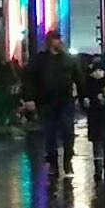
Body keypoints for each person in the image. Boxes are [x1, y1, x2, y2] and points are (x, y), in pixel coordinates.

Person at [27, 33, 78, 177]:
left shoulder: (68, 60)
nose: (57, 42)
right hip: (46, 102)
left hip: (65, 101)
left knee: (67, 132)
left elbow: (78, 77)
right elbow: (31, 80)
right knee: (50, 134)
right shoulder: (40, 60)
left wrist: (84, 95)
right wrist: (30, 98)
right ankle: (53, 164)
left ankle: (67, 162)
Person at [76, 50, 105, 173]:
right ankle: (98, 169)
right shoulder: (88, 84)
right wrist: (90, 102)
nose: (97, 73)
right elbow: (83, 100)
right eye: (95, 70)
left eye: (100, 70)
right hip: (95, 119)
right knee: (97, 144)